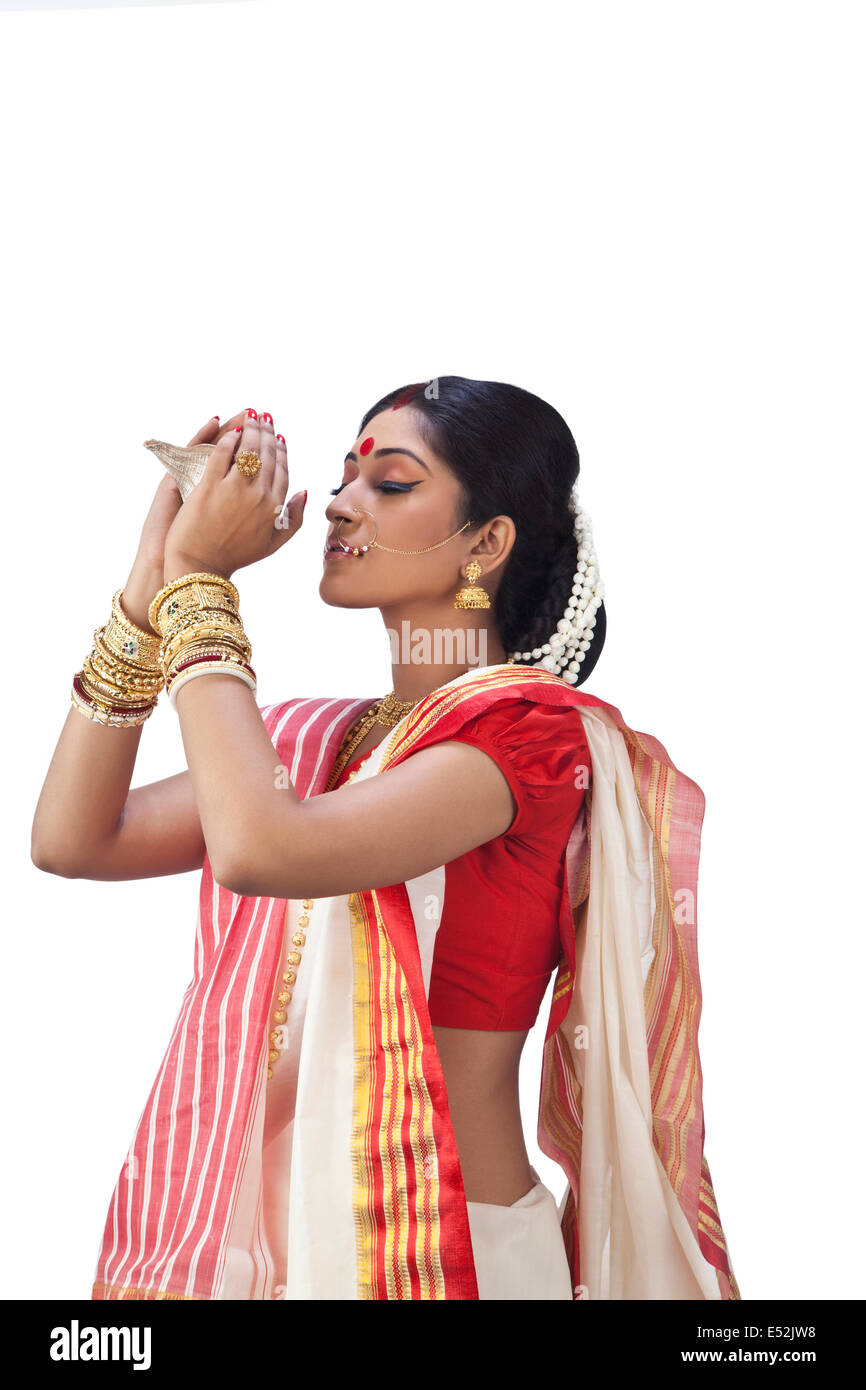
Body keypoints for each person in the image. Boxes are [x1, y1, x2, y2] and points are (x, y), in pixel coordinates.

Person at [31, 376, 739, 1300]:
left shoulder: (525, 738)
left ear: (487, 543)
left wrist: (201, 594)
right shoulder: (311, 740)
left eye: (391, 484)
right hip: (287, 1246)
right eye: (343, 478)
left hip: (452, 1248)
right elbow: (76, 839)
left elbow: (262, 849)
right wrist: (148, 584)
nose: (338, 504)